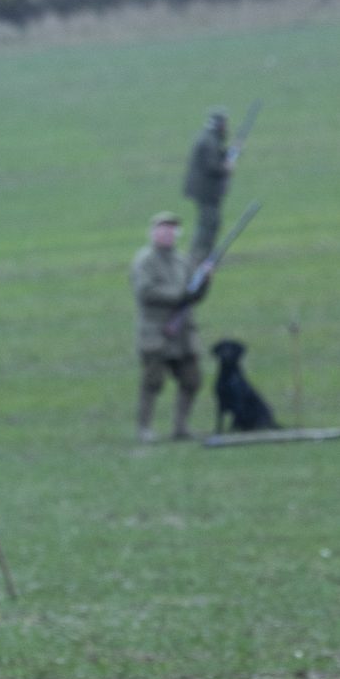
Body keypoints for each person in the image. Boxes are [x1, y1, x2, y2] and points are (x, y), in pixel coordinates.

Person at [130, 210, 210, 444]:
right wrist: (179, 294)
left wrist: (205, 281)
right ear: (153, 232)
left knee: (192, 379)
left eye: (171, 229)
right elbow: (145, 291)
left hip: (183, 333)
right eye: (162, 229)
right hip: (156, 332)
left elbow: (193, 296)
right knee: (152, 381)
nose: (167, 233)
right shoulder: (144, 261)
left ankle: (181, 427)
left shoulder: (182, 260)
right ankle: (144, 428)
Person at [182, 109, 232, 265]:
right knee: (208, 223)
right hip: (206, 191)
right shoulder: (209, 140)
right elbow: (212, 166)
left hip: (206, 190)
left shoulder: (210, 138)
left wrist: (228, 153)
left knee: (209, 222)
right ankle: (199, 257)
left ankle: (204, 257)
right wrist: (226, 167)